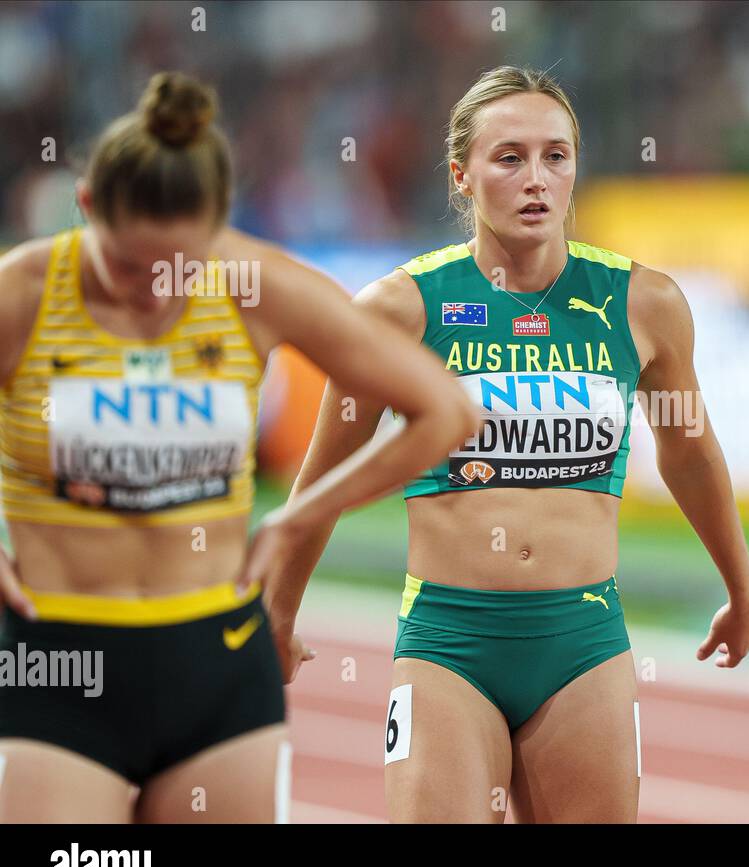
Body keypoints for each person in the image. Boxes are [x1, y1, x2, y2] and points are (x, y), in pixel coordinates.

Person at [264, 65, 749, 824]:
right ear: (462, 174)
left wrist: (742, 584)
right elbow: (321, 479)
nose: (537, 179)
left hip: (585, 641)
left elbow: (689, 452)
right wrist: (280, 609)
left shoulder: (644, 304)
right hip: (447, 641)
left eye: (555, 156)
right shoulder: (400, 308)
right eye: (510, 158)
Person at [0, 72, 477, 823]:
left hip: (216, 664)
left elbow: (444, 410)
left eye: (182, 268)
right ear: (87, 207)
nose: (156, 295)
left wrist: (300, 515)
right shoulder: (24, 294)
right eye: (127, 267)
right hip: (59, 659)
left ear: (220, 225)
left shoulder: (252, 283)